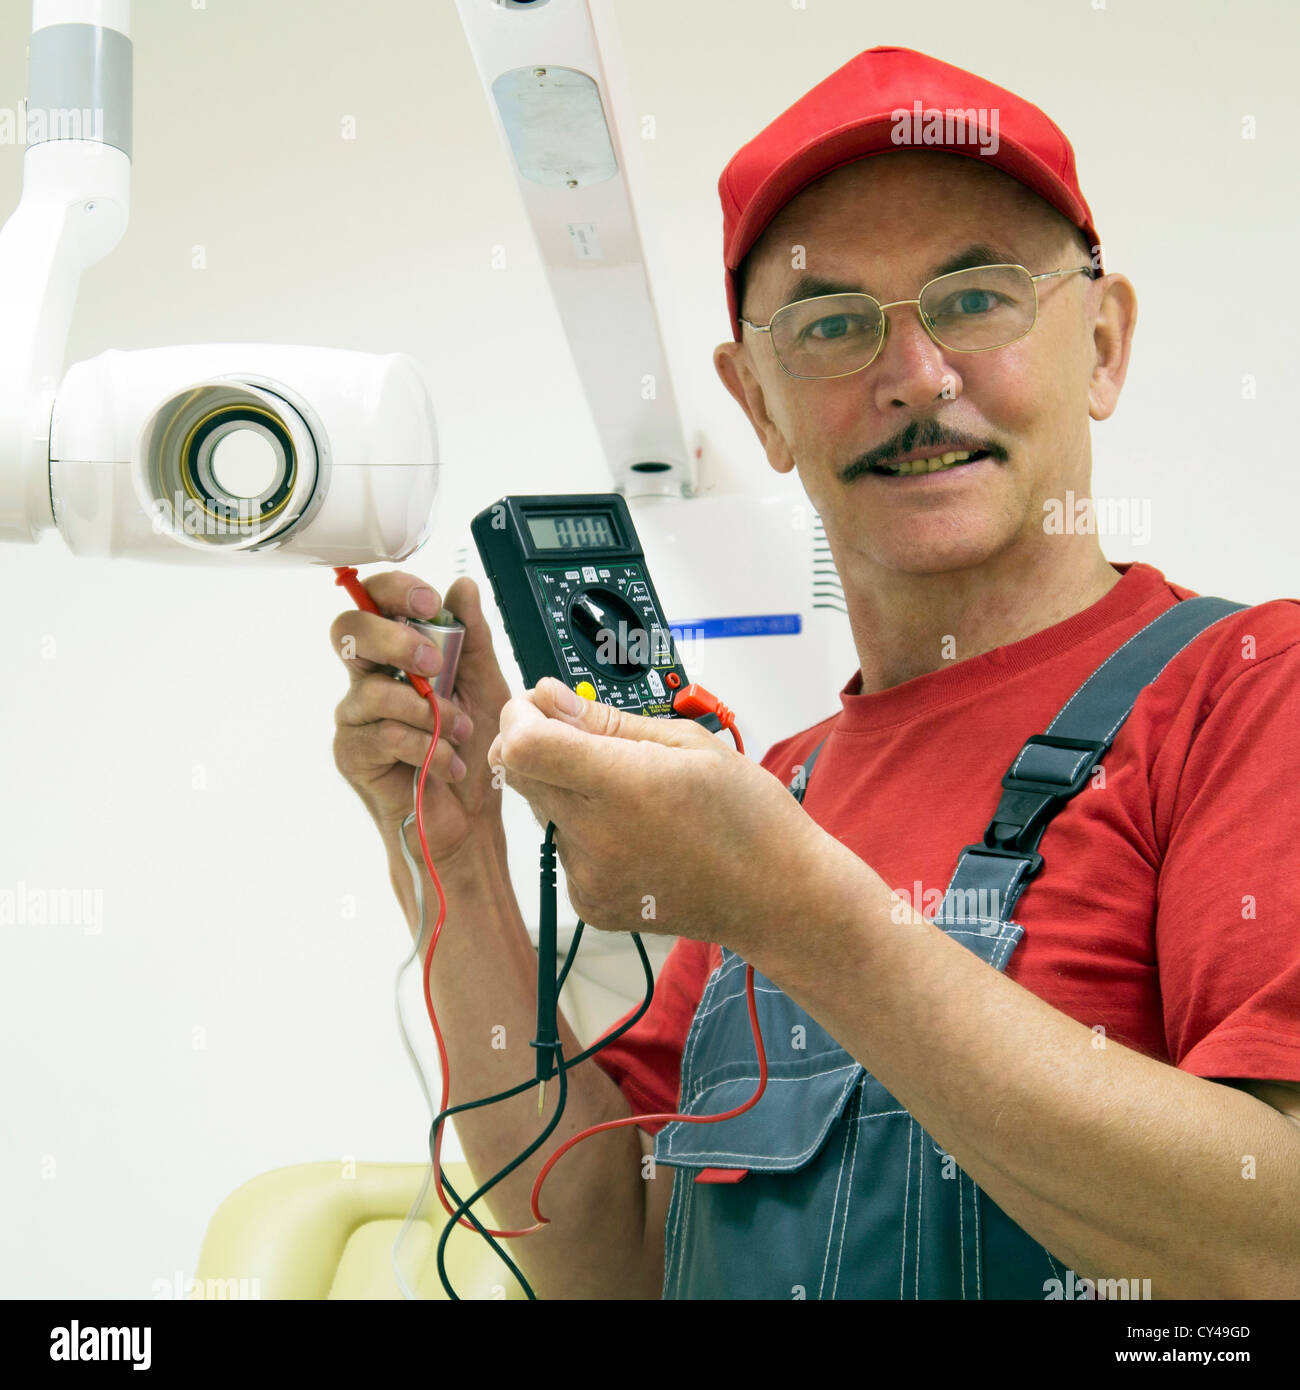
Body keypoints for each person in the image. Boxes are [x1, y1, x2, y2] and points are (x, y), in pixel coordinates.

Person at [331, 47, 1300, 1299]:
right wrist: (451, 861)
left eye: (977, 297)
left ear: (1103, 344)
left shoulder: (1246, 688)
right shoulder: (776, 795)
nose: (913, 376)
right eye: (832, 326)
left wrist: (793, 909)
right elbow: (603, 1261)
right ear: (761, 408)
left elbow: (1269, 1243)